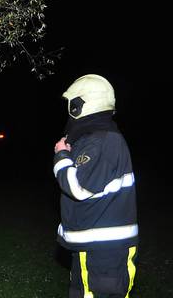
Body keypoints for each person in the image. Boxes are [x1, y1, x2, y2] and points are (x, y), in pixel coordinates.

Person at [52, 74, 138, 298]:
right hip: (97, 248)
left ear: (79, 105)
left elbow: (78, 187)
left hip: (104, 253)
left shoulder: (101, 141)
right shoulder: (97, 138)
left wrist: (61, 156)